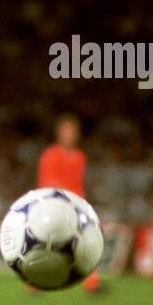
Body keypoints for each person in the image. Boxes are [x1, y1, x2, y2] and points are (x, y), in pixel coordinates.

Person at [38, 113, 103, 292]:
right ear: (59, 133)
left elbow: (79, 184)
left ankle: (92, 283)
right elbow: (48, 182)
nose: (70, 134)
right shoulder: (51, 155)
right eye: (66, 131)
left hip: (76, 207)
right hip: (54, 206)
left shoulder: (79, 157)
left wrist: (81, 203)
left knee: (84, 243)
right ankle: (34, 281)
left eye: (73, 131)